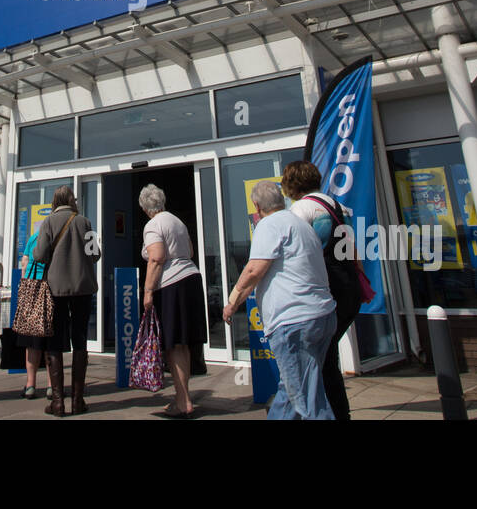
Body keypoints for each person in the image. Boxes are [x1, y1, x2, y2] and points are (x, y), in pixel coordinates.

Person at [223, 180, 336, 420]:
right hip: (322, 315)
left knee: (302, 396)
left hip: (294, 321)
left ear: (257, 206)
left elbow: (254, 269)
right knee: (300, 389)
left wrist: (232, 302)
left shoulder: (269, 225)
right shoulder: (302, 224)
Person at [283, 160, 356, 420]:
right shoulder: (337, 205)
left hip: (326, 289)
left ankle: (320, 412)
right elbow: (351, 251)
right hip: (348, 286)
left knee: (315, 361)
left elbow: (295, 250)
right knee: (326, 358)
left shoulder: (301, 209)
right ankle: (337, 411)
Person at [138, 183, 207, 418]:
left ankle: (182, 402)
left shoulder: (153, 224)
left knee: (173, 344)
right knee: (182, 344)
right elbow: (189, 250)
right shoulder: (177, 222)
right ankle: (182, 397)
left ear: (145, 207)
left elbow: (156, 258)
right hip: (191, 278)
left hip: (172, 285)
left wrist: (147, 291)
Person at [32, 185, 100, 416]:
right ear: (71, 200)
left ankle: (58, 402)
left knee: (54, 341)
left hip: (56, 289)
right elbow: (96, 254)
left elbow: (39, 255)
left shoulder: (48, 223)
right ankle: (78, 400)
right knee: (80, 339)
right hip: (83, 288)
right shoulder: (85, 222)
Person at [15, 229, 49, 400]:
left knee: (32, 340)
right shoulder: (55, 237)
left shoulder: (34, 237)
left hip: (31, 289)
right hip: (49, 289)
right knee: (51, 341)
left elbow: (25, 262)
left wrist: (25, 285)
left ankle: (30, 384)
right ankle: (52, 385)